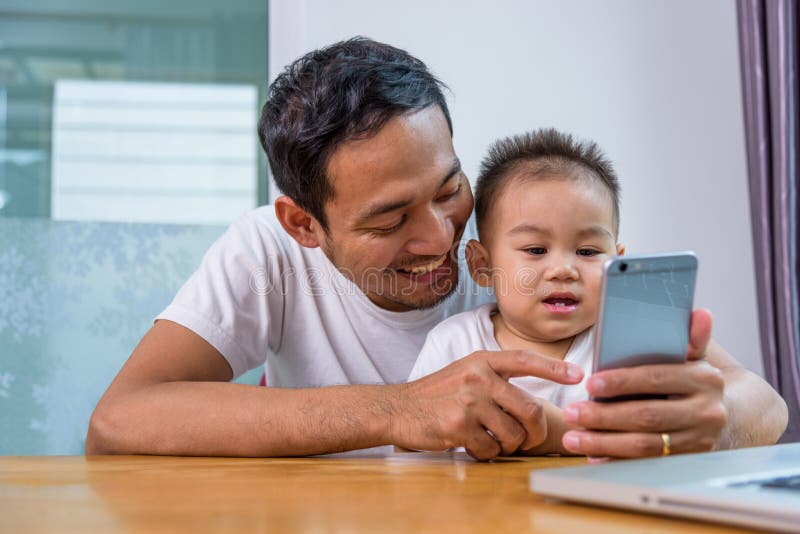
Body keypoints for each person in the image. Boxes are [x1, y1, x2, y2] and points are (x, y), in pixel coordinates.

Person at [86, 37, 787, 461]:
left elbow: (763, 403)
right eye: (389, 220)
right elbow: (120, 420)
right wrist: (399, 408)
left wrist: (708, 423)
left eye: (449, 189)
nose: (442, 238)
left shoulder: (522, 240)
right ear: (305, 225)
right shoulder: (268, 253)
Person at [408, 128, 712, 457]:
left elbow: (666, 436)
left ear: (617, 263)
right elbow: (411, 451)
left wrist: (557, 433)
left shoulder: (629, 348)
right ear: (482, 266)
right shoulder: (453, 344)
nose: (563, 270)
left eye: (587, 252)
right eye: (536, 250)